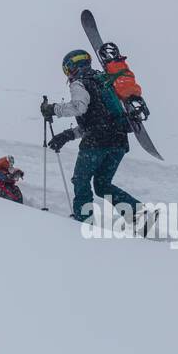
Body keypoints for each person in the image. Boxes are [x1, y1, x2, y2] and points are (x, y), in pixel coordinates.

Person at [42, 48, 142, 225]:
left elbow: (79, 107)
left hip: (96, 144)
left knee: (81, 180)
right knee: (102, 185)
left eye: (67, 69)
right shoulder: (104, 80)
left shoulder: (79, 83)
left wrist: (53, 109)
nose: (68, 74)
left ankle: (83, 221)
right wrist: (67, 135)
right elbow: (100, 120)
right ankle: (139, 214)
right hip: (119, 141)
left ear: (72, 67)